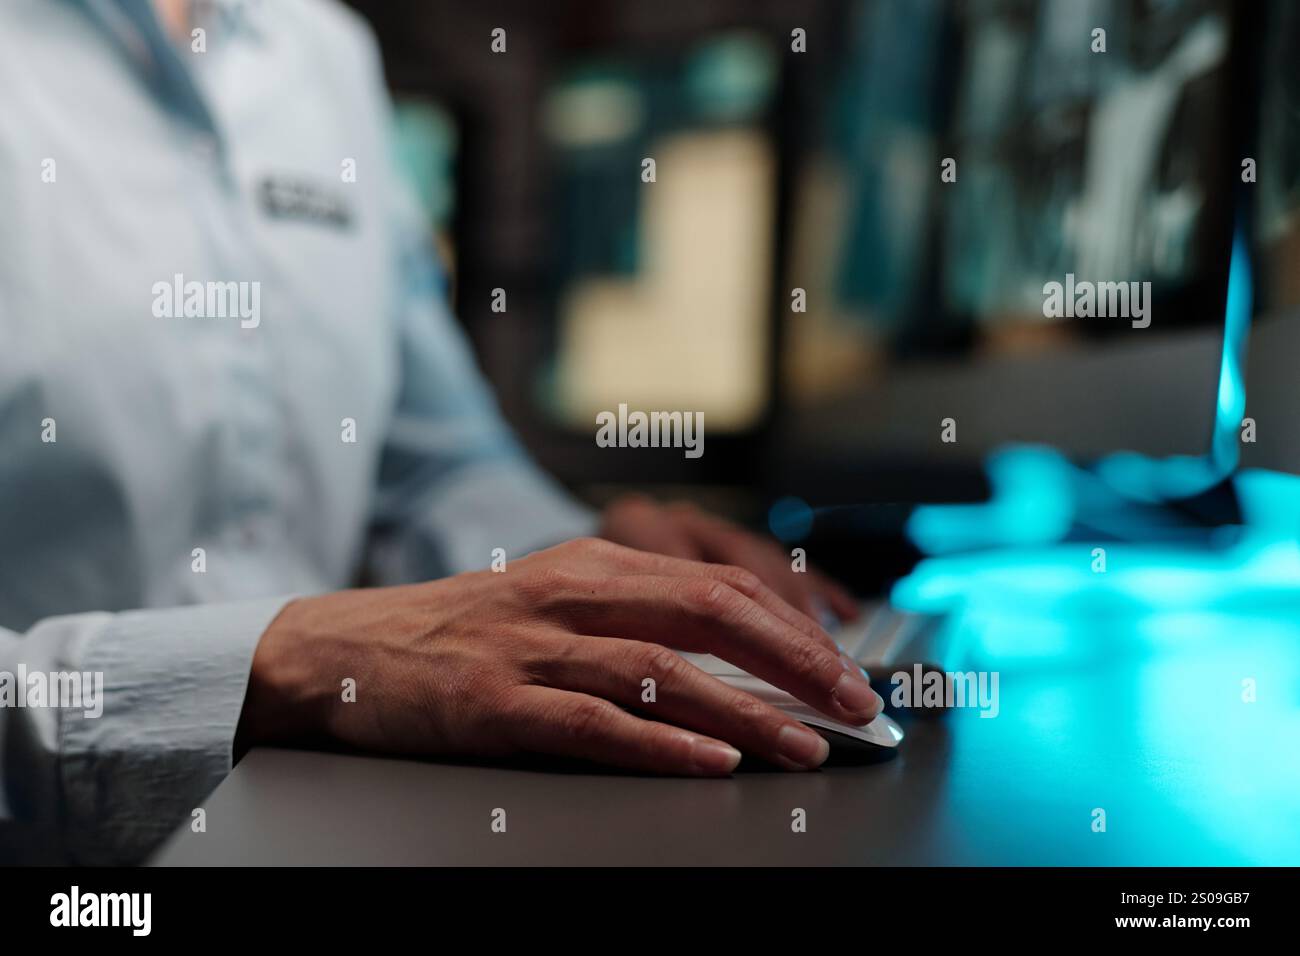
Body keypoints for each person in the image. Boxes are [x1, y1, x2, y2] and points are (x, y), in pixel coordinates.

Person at [0, 0, 880, 864]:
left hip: (327, 814)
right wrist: (278, 664)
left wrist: (577, 565)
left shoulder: (322, 49)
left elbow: (433, 465)